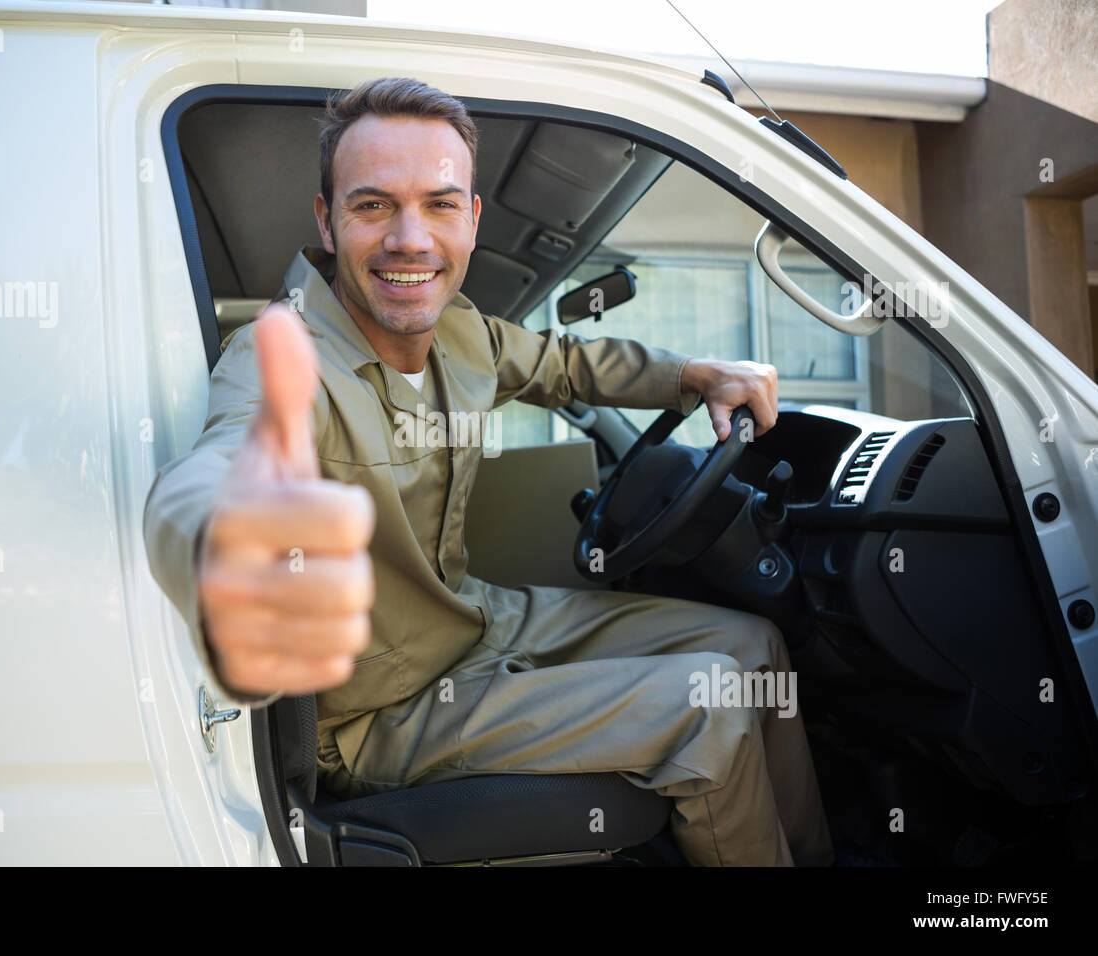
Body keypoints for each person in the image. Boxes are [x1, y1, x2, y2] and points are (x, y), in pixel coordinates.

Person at [143, 76, 834, 866]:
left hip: (476, 621)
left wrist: (694, 374)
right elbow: (216, 470)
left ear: (471, 219)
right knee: (711, 708)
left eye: (439, 205)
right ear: (327, 221)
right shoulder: (279, 359)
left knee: (752, 650)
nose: (410, 239)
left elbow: (566, 365)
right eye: (373, 205)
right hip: (376, 712)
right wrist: (219, 547)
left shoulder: (464, 333)